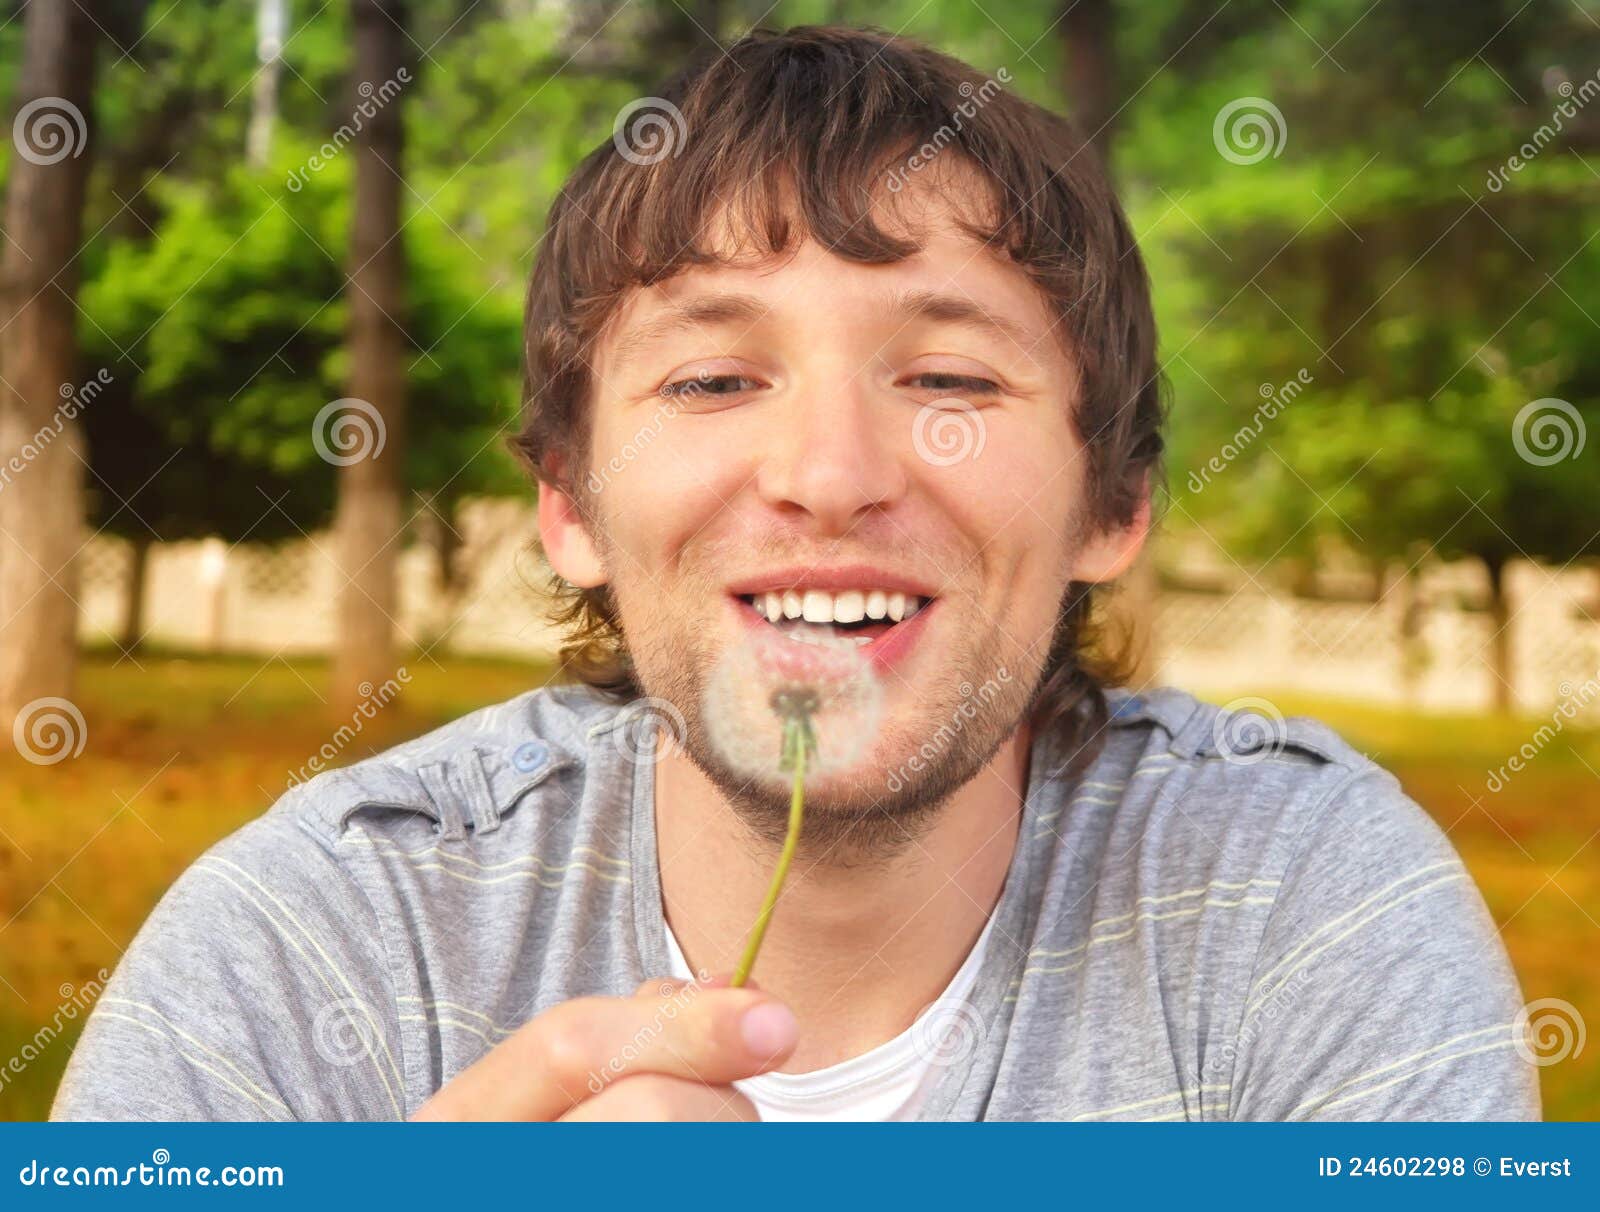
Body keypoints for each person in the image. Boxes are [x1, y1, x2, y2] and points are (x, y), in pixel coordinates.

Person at [54, 24, 1539, 1122]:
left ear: (1117, 502)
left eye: (949, 375)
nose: (830, 474)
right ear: (568, 507)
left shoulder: (1309, 901)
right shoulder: (314, 939)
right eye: (711, 382)